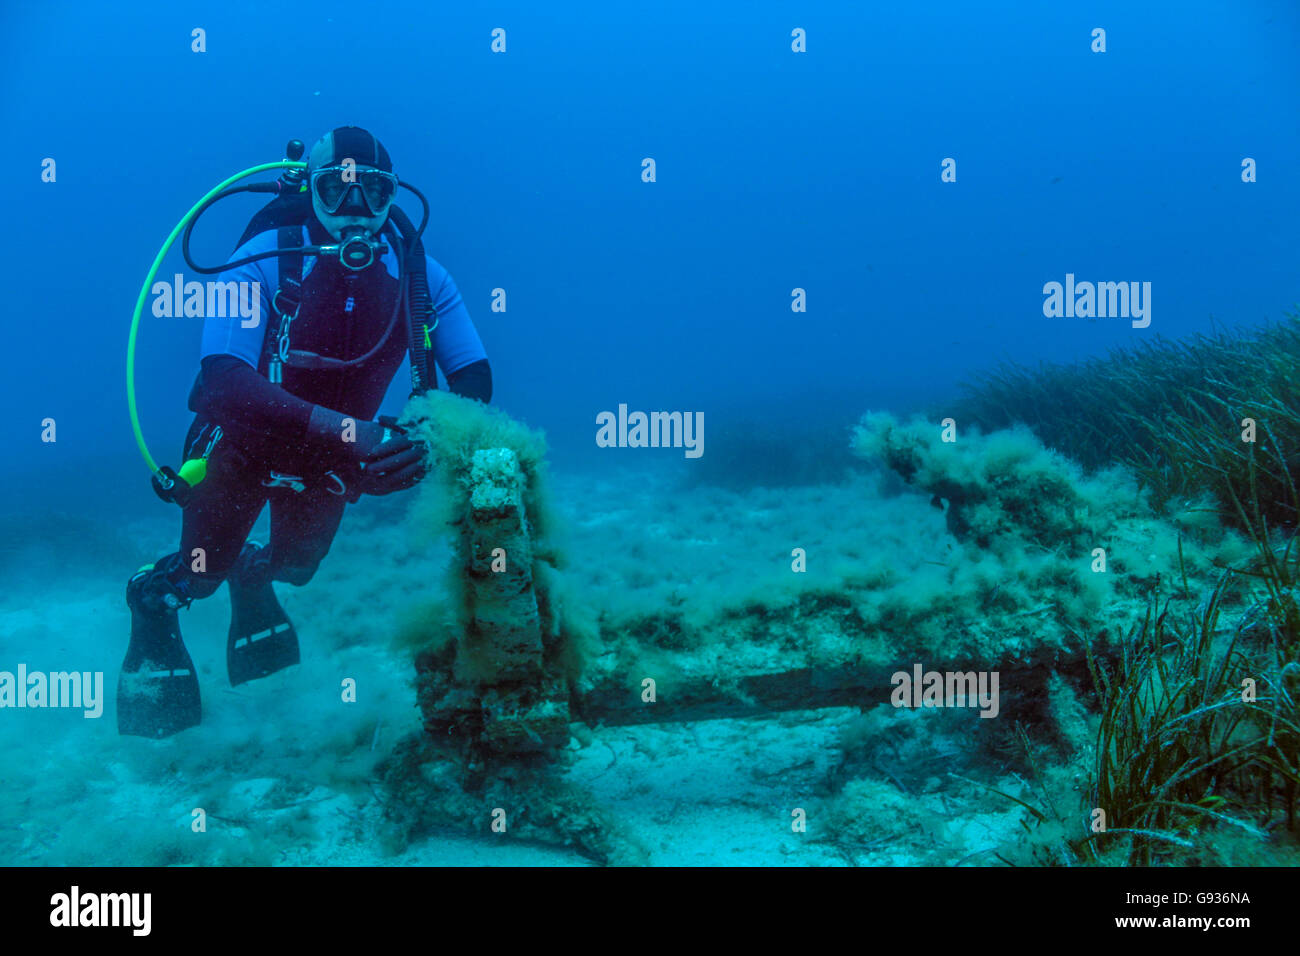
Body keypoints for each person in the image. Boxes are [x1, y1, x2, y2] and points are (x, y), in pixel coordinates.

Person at [118, 126, 491, 738]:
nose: (357, 213)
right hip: (239, 445)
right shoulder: (259, 259)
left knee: (295, 567)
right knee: (201, 573)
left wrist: (426, 439)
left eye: (374, 193)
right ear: (309, 192)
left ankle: (253, 576)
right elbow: (225, 382)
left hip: (326, 462)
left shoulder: (422, 278)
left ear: (394, 195)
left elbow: (473, 376)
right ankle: (154, 599)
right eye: (336, 191)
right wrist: (353, 433)